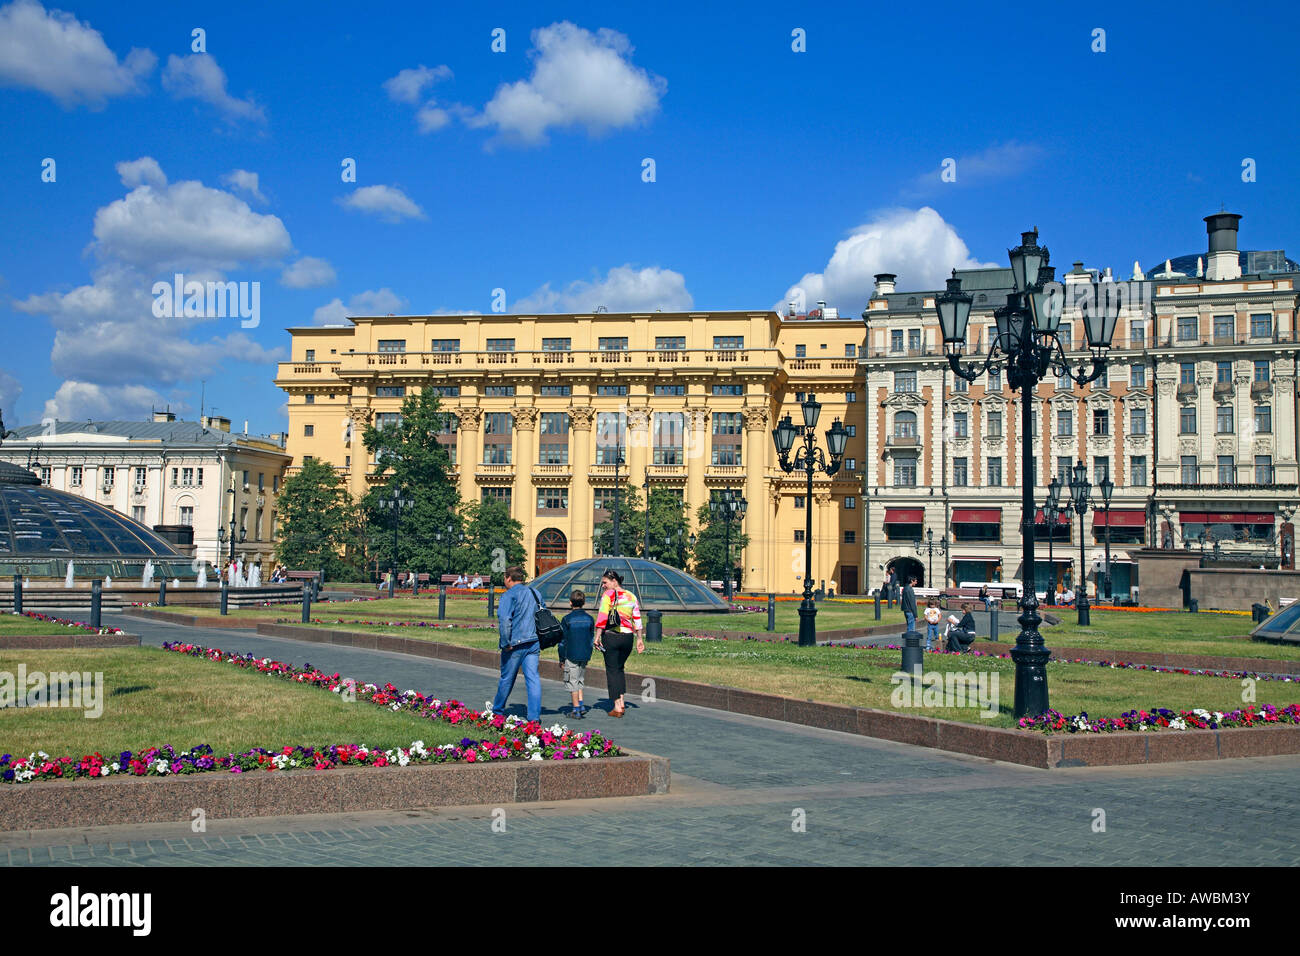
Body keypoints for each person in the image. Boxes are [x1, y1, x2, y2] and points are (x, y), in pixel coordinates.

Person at [490, 566, 543, 722]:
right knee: (533, 679)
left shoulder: (509, 595)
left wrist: (506, 642)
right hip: (533, 642)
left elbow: (505, 620)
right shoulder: (535, 593)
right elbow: (543, 614)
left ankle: (498, 711)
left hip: (515, 643)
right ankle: (534, 717)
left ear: (508, 578)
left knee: (507, 679)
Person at [594, 569, 644, 718]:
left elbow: (602, 616)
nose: (603, 586)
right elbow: (637, 618)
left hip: (612, 637)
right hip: (628, 638)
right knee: (620, 668)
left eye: (605, 582)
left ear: (614, 581)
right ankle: (621, 701)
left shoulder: (608, 595)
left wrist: (597, 636)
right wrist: (640, 639)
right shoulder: (631, 596)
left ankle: (617, 707)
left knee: (612, 670)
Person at [559, 589, 595, 718]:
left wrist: (561, 658)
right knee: (580, 679)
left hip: (571, 654)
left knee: (572, 682)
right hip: (585, 654)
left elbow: (562, 641)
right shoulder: (590, 619)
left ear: (570, 603)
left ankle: (575, 710)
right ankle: (581, 704)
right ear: (584, 602)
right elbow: (591, 638)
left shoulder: (566, 619)